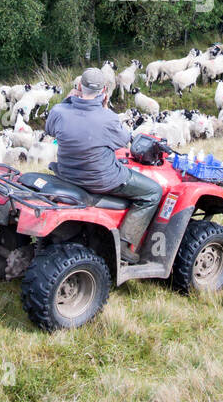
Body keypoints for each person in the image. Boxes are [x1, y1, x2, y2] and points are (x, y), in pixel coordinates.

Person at [44, 67, 162, 263]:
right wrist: (105, 107)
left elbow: (50, 129)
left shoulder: (59, 111)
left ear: (79, 86)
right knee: (153, 192)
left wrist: (67, 100)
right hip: (101, 180)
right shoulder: (107, 117)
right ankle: (125, 243)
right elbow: (124, 140)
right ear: (104, 90)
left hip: (67, 174)